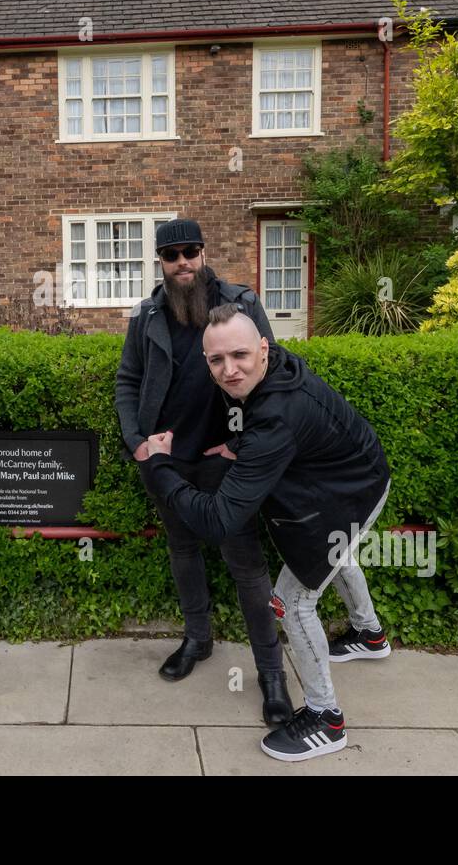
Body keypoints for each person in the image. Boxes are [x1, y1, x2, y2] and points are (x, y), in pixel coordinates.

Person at [145, 304, 393, 762]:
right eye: (216, 360)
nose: (229, 370)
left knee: (292, 602)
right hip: (359, 474)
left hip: (350, 493)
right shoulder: (278, 369)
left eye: (239, 355)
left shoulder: (277, 415)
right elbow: (278, 425)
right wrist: (241, 444)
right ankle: (370, 634)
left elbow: (219, 519)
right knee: (340, 556)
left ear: (263, 347)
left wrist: (159, 466)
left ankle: (326, 718)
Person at [115, 217, 293, 727]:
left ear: (203, 251)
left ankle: (271, 672)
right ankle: (198, 638)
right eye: (172, 255)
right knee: (183, 549)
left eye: (191, 251)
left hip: (226, 461)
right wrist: (139, 444)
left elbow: (271, 371)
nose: (183, 262)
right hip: (166, 461)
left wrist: (244, 443)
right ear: (161, 262)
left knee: (246, 564)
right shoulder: (147, 313)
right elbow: (128, 379)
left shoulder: (239, 303)